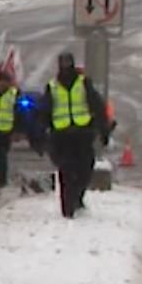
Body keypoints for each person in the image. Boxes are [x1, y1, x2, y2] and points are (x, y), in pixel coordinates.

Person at [44, 51, 108, 219]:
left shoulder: (84, 83)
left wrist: (103, 130)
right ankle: (67, 209)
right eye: (62, 63)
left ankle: (77, 198)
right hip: (61, 136)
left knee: (84, 170)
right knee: (65, 171)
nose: (65, 66)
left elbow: (97, 106)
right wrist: (41, 135)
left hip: (83, 134)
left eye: (67, 62)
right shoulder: (52, 86)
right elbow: (44, 111)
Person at [0, 70, 20, 190]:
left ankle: (1, 180)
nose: (5, 85)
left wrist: (17, 130)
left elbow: (18, 113)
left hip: (5, 130)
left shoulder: (14, 94)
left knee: (2, 155)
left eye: (7, 82)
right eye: (3, 82)